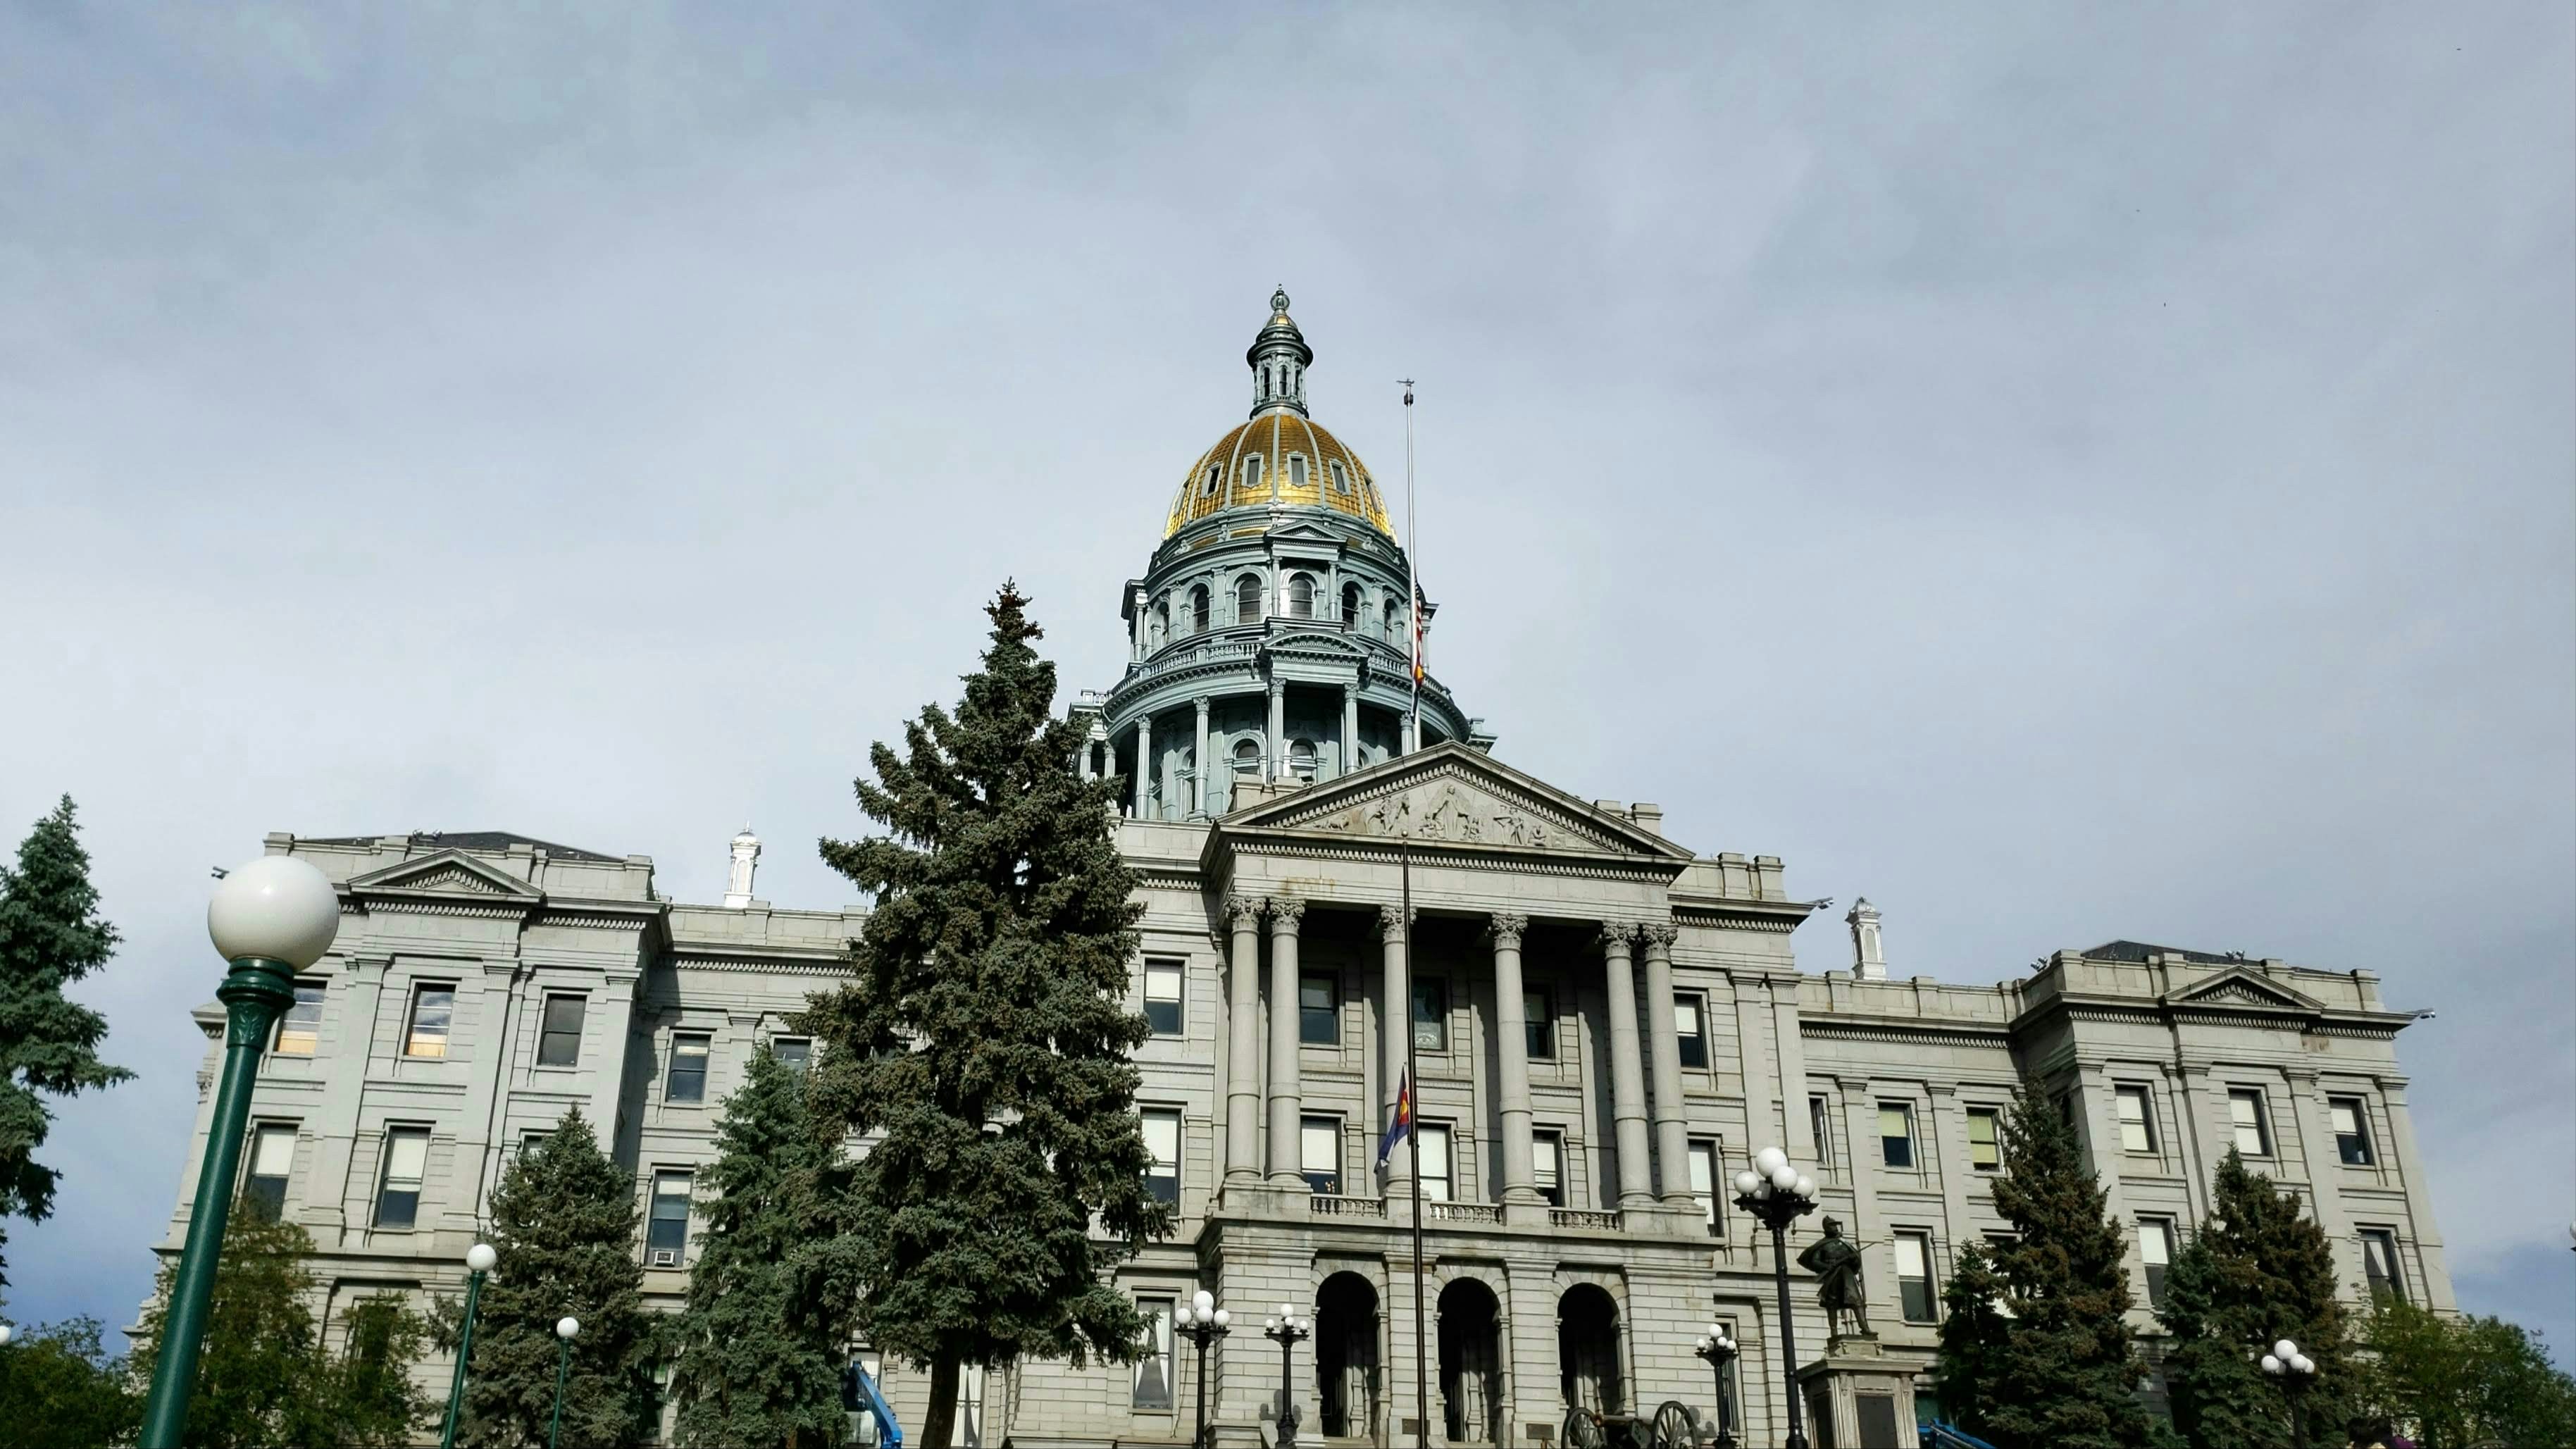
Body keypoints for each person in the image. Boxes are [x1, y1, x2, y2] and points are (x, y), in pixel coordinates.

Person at [1797, 1217, 1871, 1338]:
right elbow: (1815, 1261)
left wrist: (1853, 1259)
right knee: (1832, 1303)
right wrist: (1827, 1266)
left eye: (1835, 1225)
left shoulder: (1845, 1243)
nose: (1835, 1227)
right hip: (1833, 1276)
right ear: (1826, 1228)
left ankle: (1865, 1328)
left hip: (1846, 1274)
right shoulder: (1822, 1245)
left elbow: (1857, 1262)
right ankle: (1834, 1331)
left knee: (1856, 1300)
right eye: (1832, 1225)